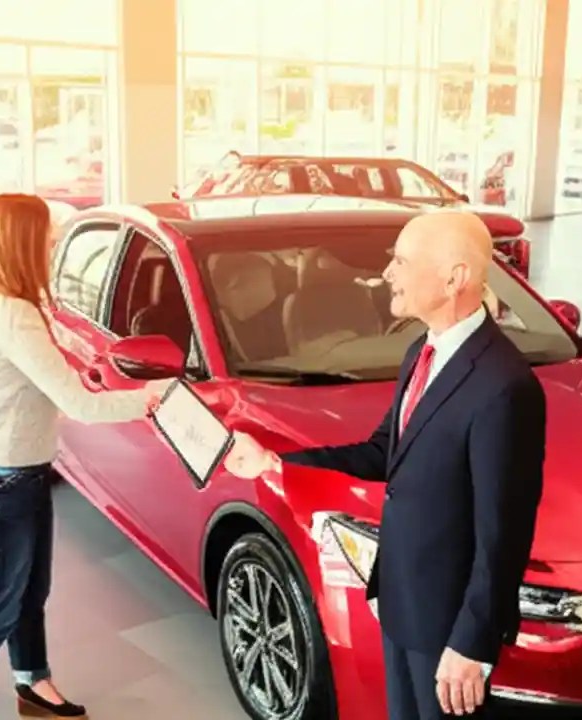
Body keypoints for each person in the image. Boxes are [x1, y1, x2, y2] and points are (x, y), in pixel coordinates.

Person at [224, 211, 547, 720]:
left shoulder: (504, 387)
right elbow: (383, 452)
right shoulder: (422, 351)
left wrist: (472, 644)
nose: (386, 274)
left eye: (401, 261)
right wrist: (275, 460)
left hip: (447, 629)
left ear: (454, 277)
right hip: (402, 600)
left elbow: (502, 536)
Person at [0, 193, 173, 720]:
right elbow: (77, 403)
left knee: (29, 594)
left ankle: (33, 683)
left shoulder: (9, 304)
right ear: (22, 244)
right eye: (47, 241)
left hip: (16, 476)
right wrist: (151, 397)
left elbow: (54, 387)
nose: (53, 250)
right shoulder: (13, 315)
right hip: (5, 486)